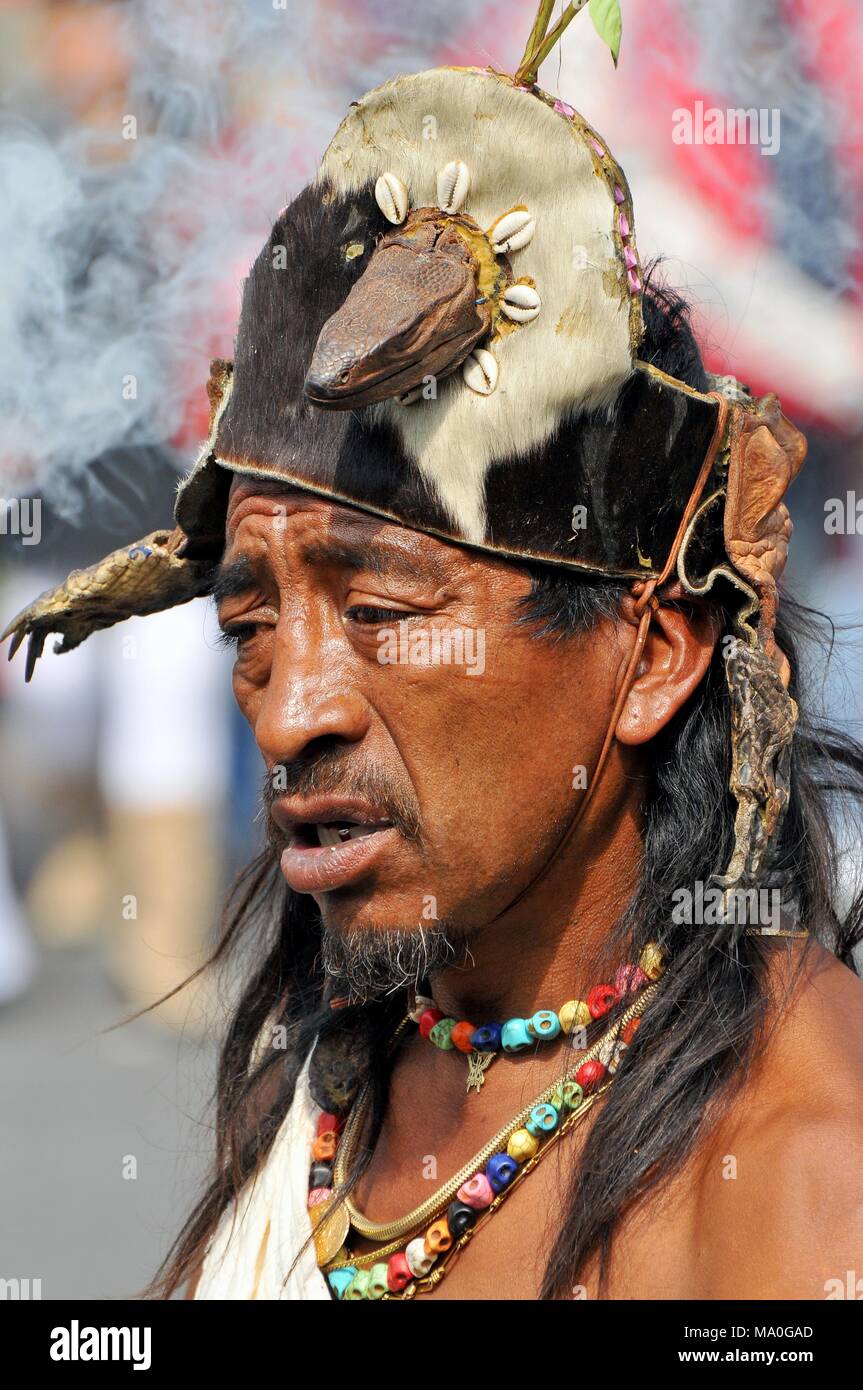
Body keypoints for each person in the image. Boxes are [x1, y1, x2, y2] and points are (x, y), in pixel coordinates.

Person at [4, 10, 863, 1302]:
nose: (291, 713)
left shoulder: (799, 1195)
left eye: (388, 612)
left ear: (653, 656)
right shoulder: (348, 1074)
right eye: (247, 627)